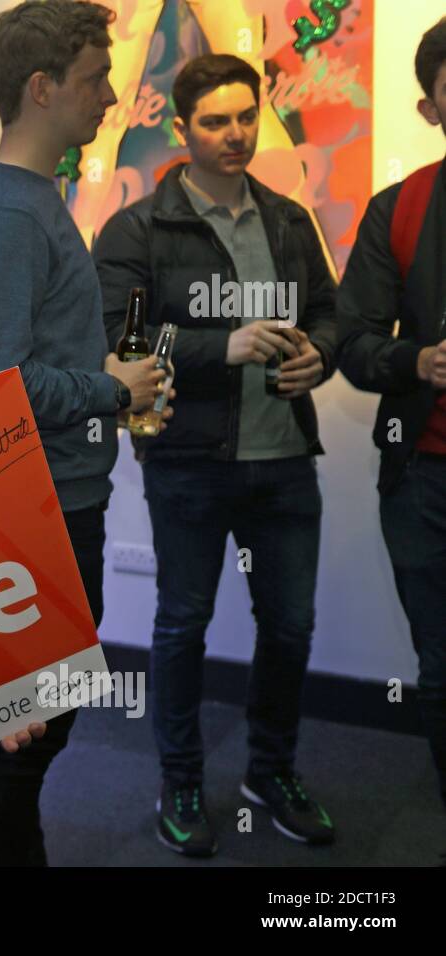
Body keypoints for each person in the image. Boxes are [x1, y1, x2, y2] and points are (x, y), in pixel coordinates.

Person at [93, 53, 340, 856]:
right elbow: (118, 341)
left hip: (284, 461)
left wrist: (321, 357)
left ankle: (271, 771)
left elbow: (334, 314)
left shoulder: (286, 218)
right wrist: (217, 345)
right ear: (180, 128)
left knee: (293, 628)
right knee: (181, 626)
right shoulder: (137, 228)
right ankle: (181, 779)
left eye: (245, 118)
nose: (234, 135)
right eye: (213, 121)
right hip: (191, 463)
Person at [0, 0, 170, 866]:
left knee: (34, 729)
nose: (111, 96)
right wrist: (108, 390)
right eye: (94, 78)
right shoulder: (10, 214)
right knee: (22, 739)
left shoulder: (32, 200)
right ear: (42, 89)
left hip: (60, 499)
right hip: (31, 511)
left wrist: (109, 382)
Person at [336, 17, 446, 843]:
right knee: (442, 672)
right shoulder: (399, 209)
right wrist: (419, 365)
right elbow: (353, 342)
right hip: (426, 485)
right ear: (430, 107)